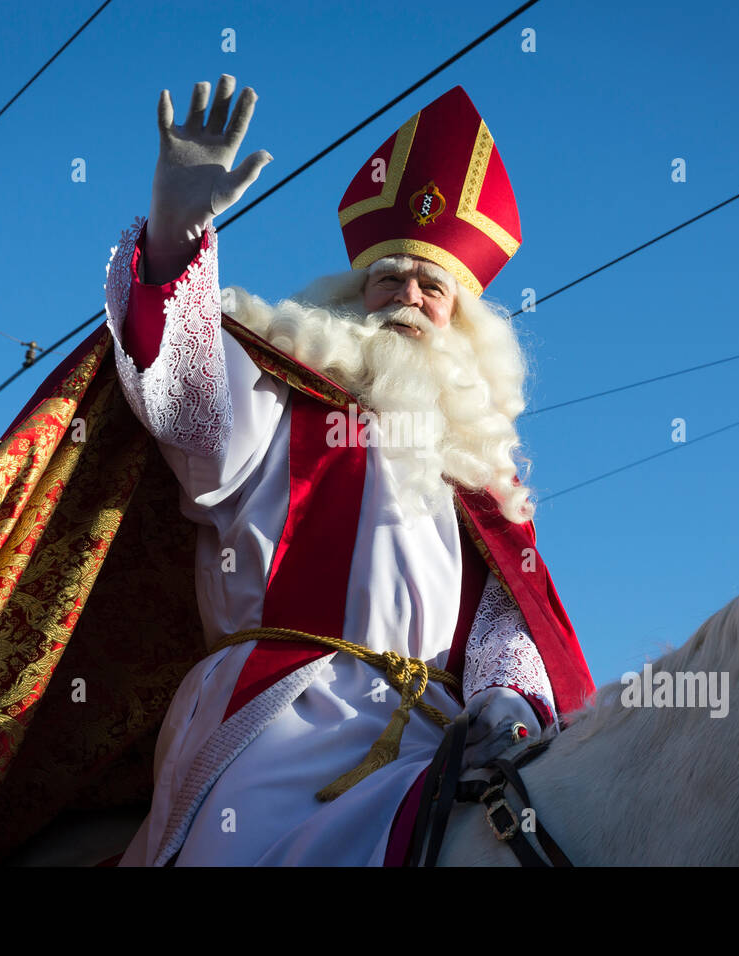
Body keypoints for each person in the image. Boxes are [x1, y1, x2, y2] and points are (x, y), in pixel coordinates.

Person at [109, 76, 595, 866]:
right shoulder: (279, 397)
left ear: (463, 321)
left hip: (440, 734)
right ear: (351, 295)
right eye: (388, 277)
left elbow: (507, 623)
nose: (406, 295)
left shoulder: (479, 477)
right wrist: (175, 235)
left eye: (431, 285)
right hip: (283, 713)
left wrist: (509, 703)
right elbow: (183, 396)